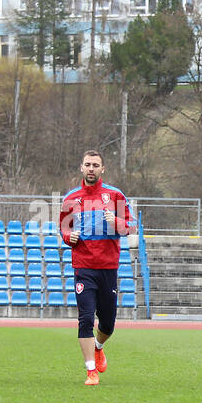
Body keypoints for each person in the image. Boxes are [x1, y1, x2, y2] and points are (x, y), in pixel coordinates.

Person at [59, 151, 135, 386]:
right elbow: (64, 228)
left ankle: (99, 347)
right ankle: (91, 371)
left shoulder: (115, 195)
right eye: (87, 165)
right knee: (85, 319)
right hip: (83, 267)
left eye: (96, 165)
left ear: (103, 169)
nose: (91, 168)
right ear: (81, 168)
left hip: (108, 268)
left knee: (108, 323)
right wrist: (68, 236)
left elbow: (131, 227)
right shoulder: (71, 198)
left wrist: (117, 222)